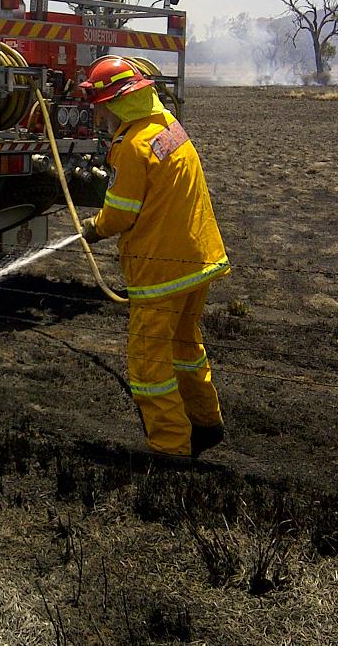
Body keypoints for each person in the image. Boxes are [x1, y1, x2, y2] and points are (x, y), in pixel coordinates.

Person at [78, 57, 230, 459]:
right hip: (197, 259)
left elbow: (122, 213)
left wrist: (93, 227)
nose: (97, 115)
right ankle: (205, 422)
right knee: (184, 346)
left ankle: (169, 447)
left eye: (99, 106)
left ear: (114, 103)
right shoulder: (167, 128)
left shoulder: (131, 146)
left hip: (160, 271)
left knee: (149, 366)